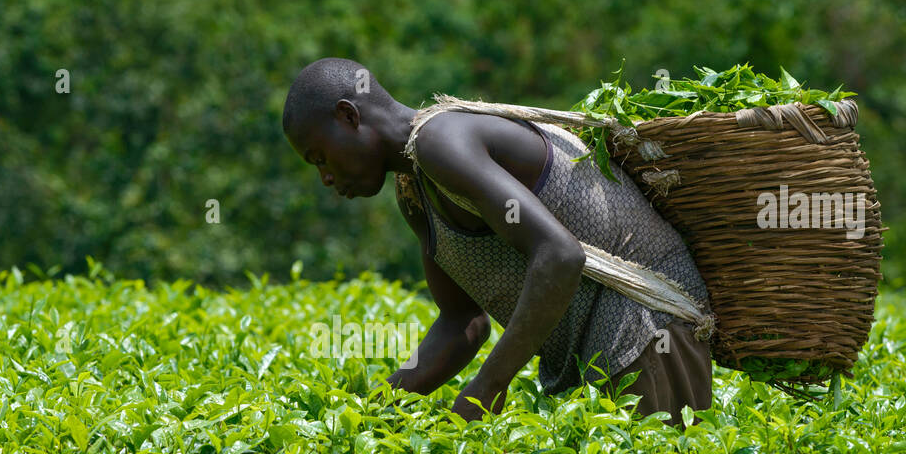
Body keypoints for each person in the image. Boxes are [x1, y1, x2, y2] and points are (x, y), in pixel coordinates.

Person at [282, 57, 712, 425]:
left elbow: (560, 255)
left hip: (646, 334)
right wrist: (373, 408)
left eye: (320, 157)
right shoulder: (414, 193)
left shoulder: (440, 142)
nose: (325, 178)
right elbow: (462, 324)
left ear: (349, 116)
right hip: (599, 360)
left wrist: (488, 385)